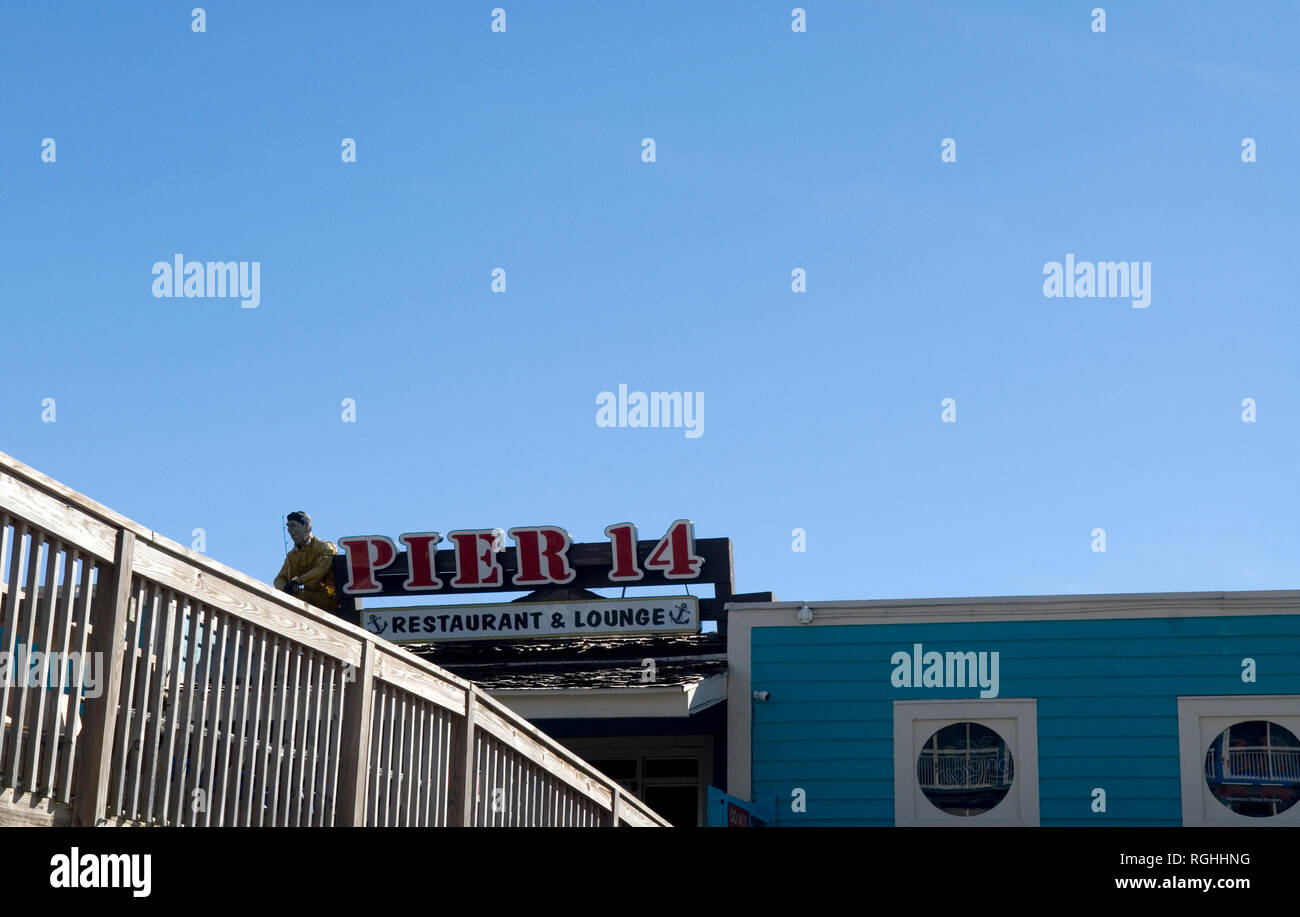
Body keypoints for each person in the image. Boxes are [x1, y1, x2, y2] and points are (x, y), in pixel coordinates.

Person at [273, 511, 340, 613]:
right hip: (306, 605)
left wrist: (298, 581)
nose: (290, 530)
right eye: (288, 527)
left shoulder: (325, 548)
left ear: (307, 526)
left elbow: (321, 569)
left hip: (329, 604)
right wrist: (286, 588)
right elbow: (279, 579)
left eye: (294, 525)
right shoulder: (292, 556)